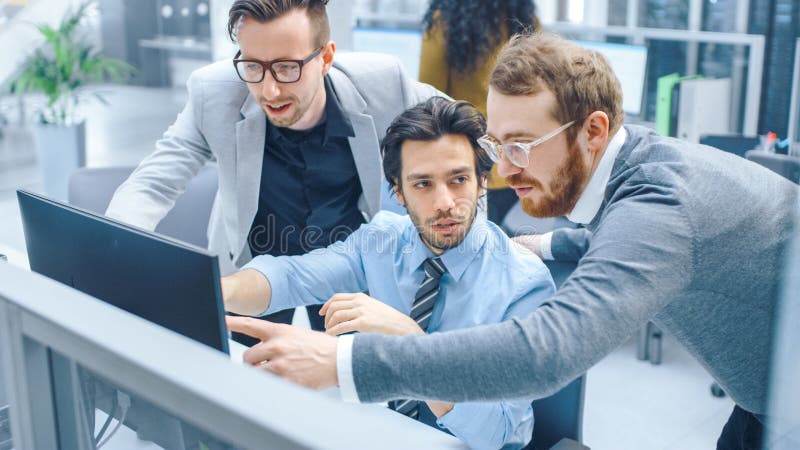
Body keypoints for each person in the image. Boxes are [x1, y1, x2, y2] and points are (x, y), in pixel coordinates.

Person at [227, 32, 799, 450]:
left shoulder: (659, 206)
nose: (504, 171)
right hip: (761, 399)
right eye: (500, 146)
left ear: (593, 131)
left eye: (523, 143)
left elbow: (547, 352)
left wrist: (349, 362)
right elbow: (624, 240)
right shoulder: (636, 175)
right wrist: (547, 246)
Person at [225, 97, 555, 449]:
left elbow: (498, 434)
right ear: (398, 191)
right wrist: (219, 290)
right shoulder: (383, 241)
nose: (444, 202)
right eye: (423, 184)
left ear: (481, 182)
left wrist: (411, 341)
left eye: (458, 179)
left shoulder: (523, 285)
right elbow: (290, 276)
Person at [104, 0, 439, 336]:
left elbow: (461, 132)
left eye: (286, 67)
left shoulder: (384, 82)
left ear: (325, 58)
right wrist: (114, 249)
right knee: (247, 378)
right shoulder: (213, 93)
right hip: (251, 272)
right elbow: (153, 183)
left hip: (347, 267)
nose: (269, 90)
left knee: (355, 378)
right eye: (253, 66)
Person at [418, 0, 539, 225]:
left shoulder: (444, 22)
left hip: (469, 156)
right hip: (517, 156)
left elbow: (428, 99)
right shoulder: (525, 20)